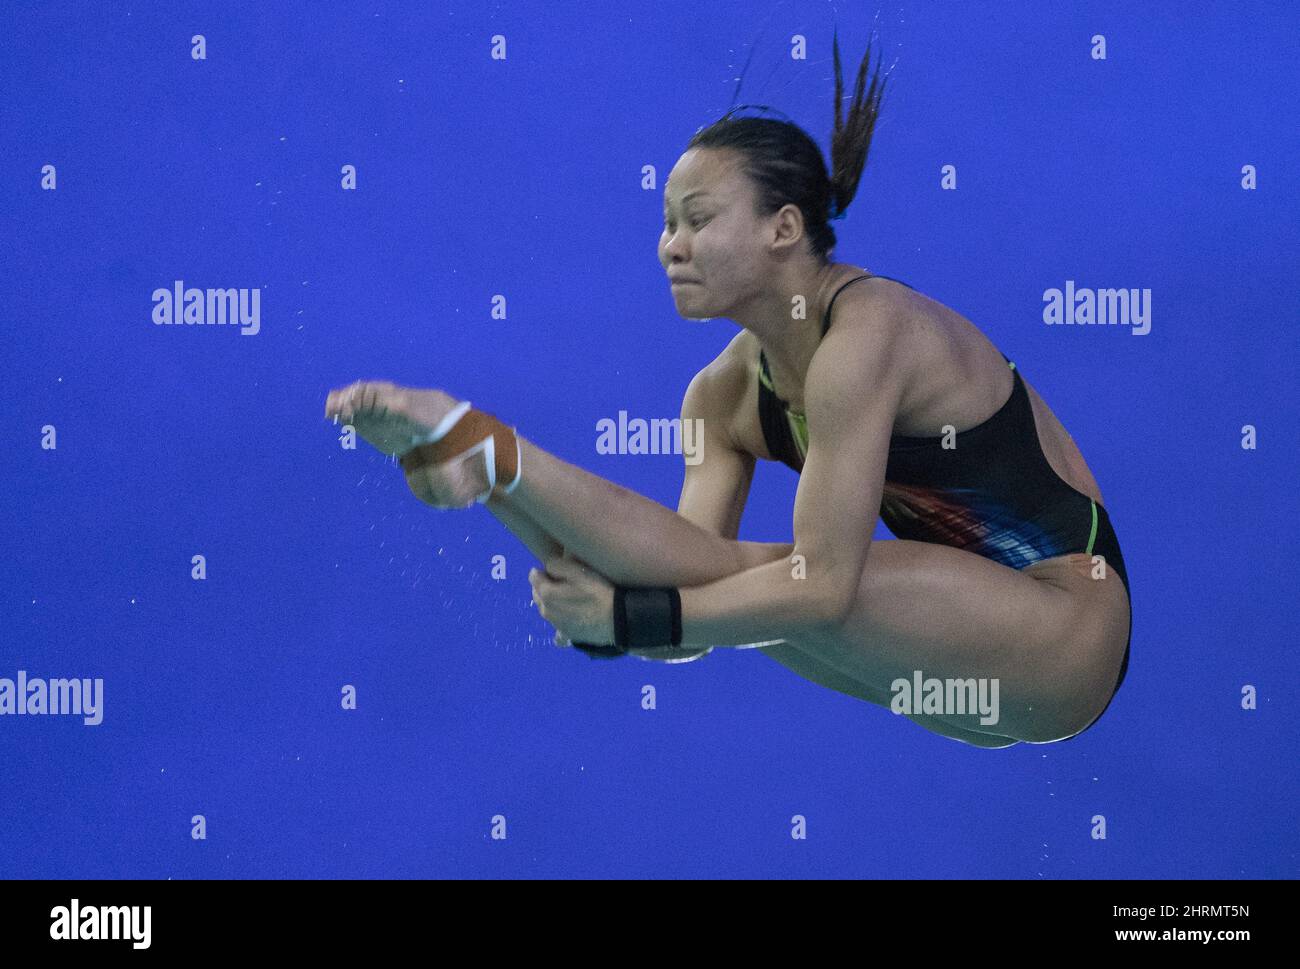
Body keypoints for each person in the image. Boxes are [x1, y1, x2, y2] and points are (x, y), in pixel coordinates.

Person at [324, 35, 1131, 749]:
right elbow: (680, 604)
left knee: (765, 579)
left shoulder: (868, 334)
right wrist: (589, 585)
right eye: (666, 222)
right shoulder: (719, 398)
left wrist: (635, 619)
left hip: (1061, 631)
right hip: (954, 670)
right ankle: (487, 465)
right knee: (711, 579)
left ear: (784, 228)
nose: (669, 246)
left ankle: (492, 449)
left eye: (697, 219)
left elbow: (818, 588)